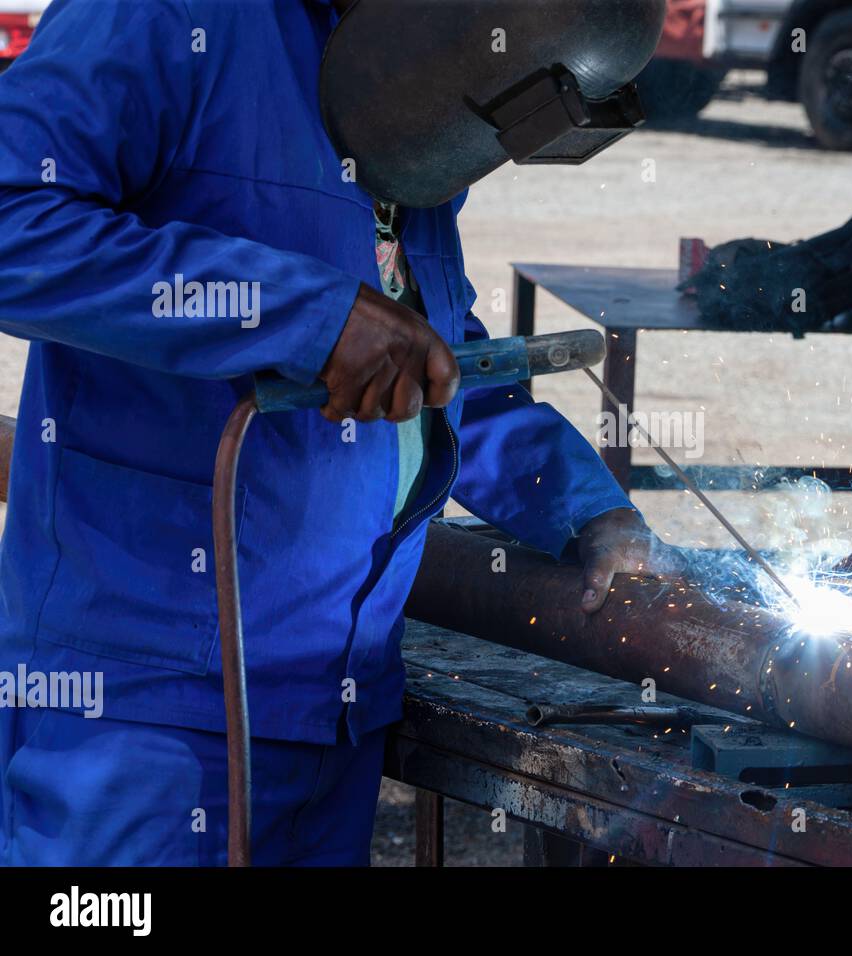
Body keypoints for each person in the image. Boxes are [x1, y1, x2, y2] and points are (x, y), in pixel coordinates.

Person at [0, 0, 675, 865]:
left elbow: (431, 351)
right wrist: (300, 316)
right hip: (146, 711)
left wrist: (581, 508)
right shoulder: (165, 15)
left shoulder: (403, 56)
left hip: (336, 705)